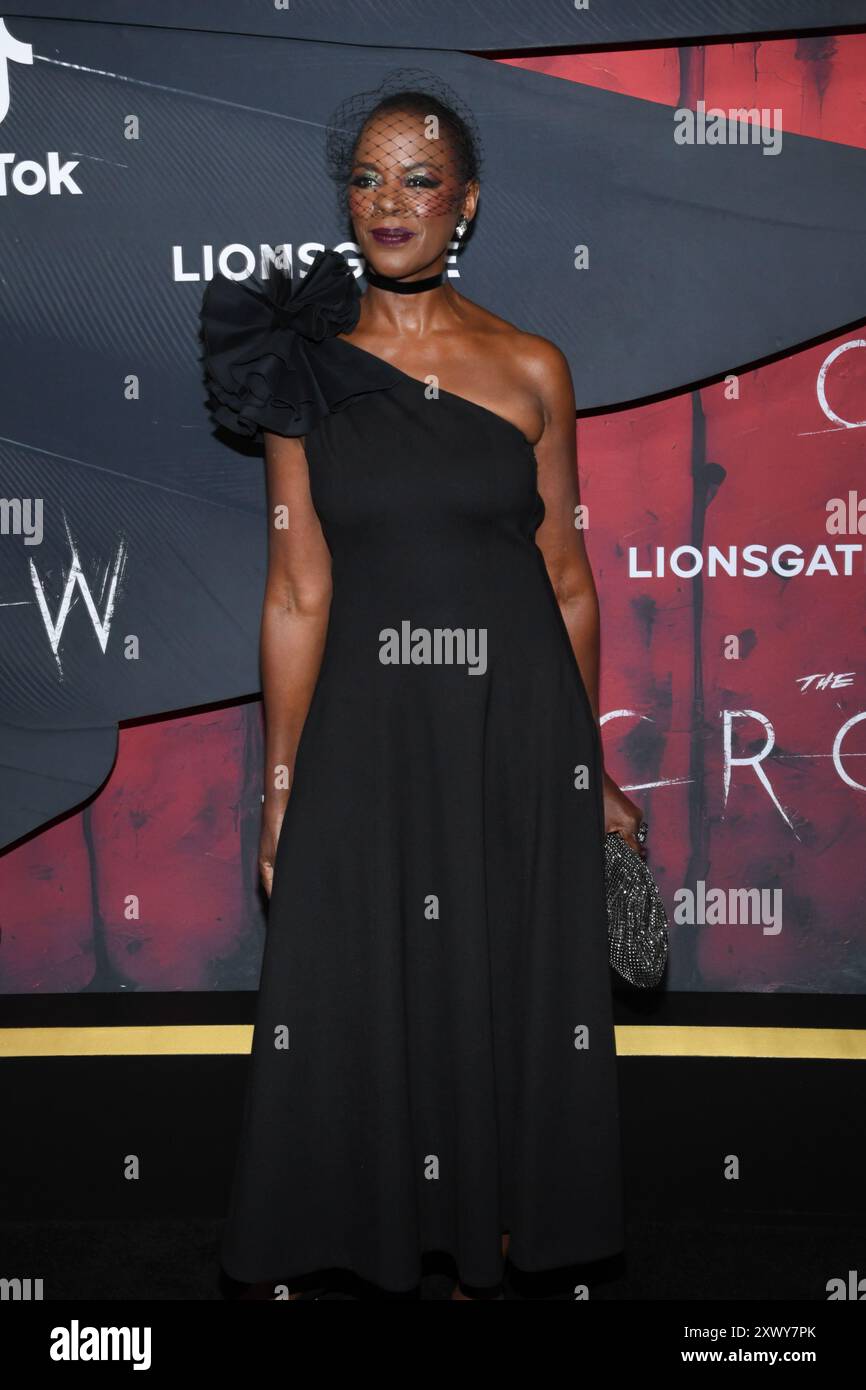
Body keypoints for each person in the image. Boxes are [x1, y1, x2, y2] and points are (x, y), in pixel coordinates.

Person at [201, 70, 642, 1301]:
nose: (388, 199)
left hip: (513, 725)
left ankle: (500, 1224)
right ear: (346, 202)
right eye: (365, 177)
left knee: (504, 972)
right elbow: (297, 589)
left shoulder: (531, 366)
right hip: (370, 731)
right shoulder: (302, 371)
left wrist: (588, 760)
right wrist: (282, 785)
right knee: (367, 978)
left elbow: (564, 577)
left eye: (418, 177)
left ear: (466, 203)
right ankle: (381, 1229)